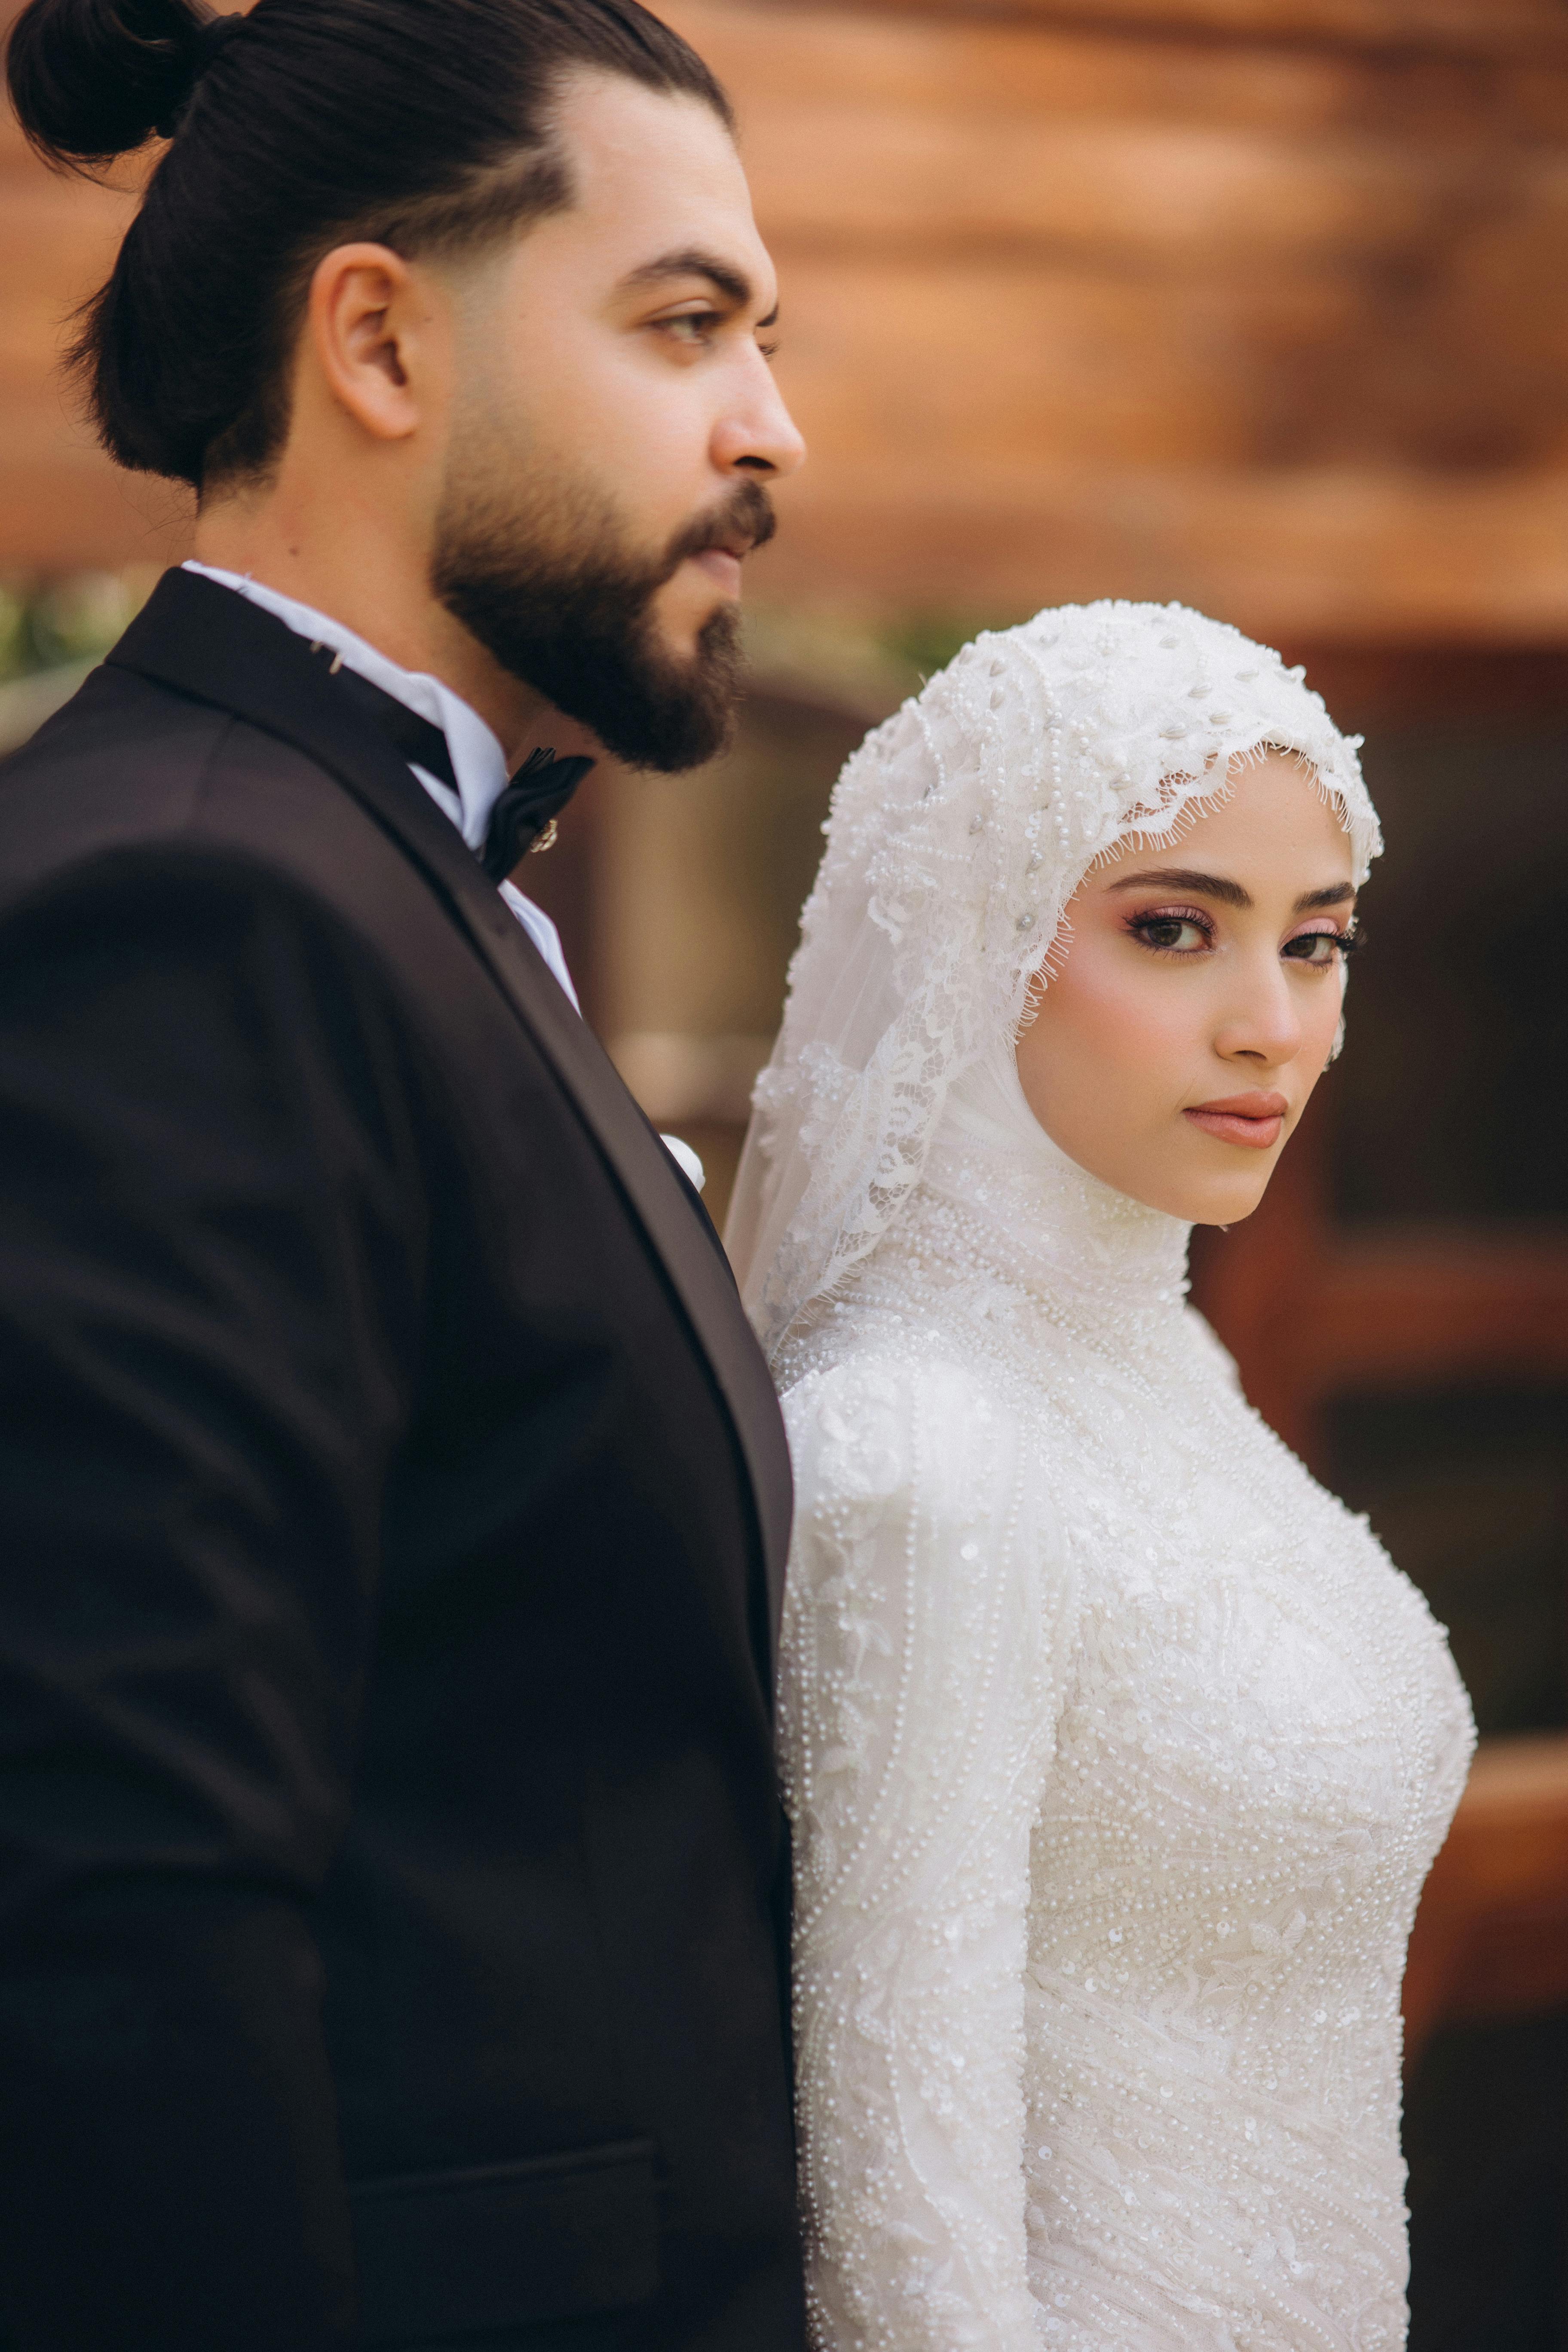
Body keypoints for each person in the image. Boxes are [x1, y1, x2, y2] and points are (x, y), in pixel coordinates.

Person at [0, 1, 807, 2345]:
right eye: (687, 326)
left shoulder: (409, 881)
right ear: (375, 336)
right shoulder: (190, 901)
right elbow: (113, 1917)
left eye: (770, 339)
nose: (775, 430)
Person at [726, 602, 1476, 2351]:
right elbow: (901, 2278)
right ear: (982, 938)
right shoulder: (924, 1453)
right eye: (1172, 929)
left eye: (1317, 943)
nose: (1270, 1026)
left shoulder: (1164, 1367)